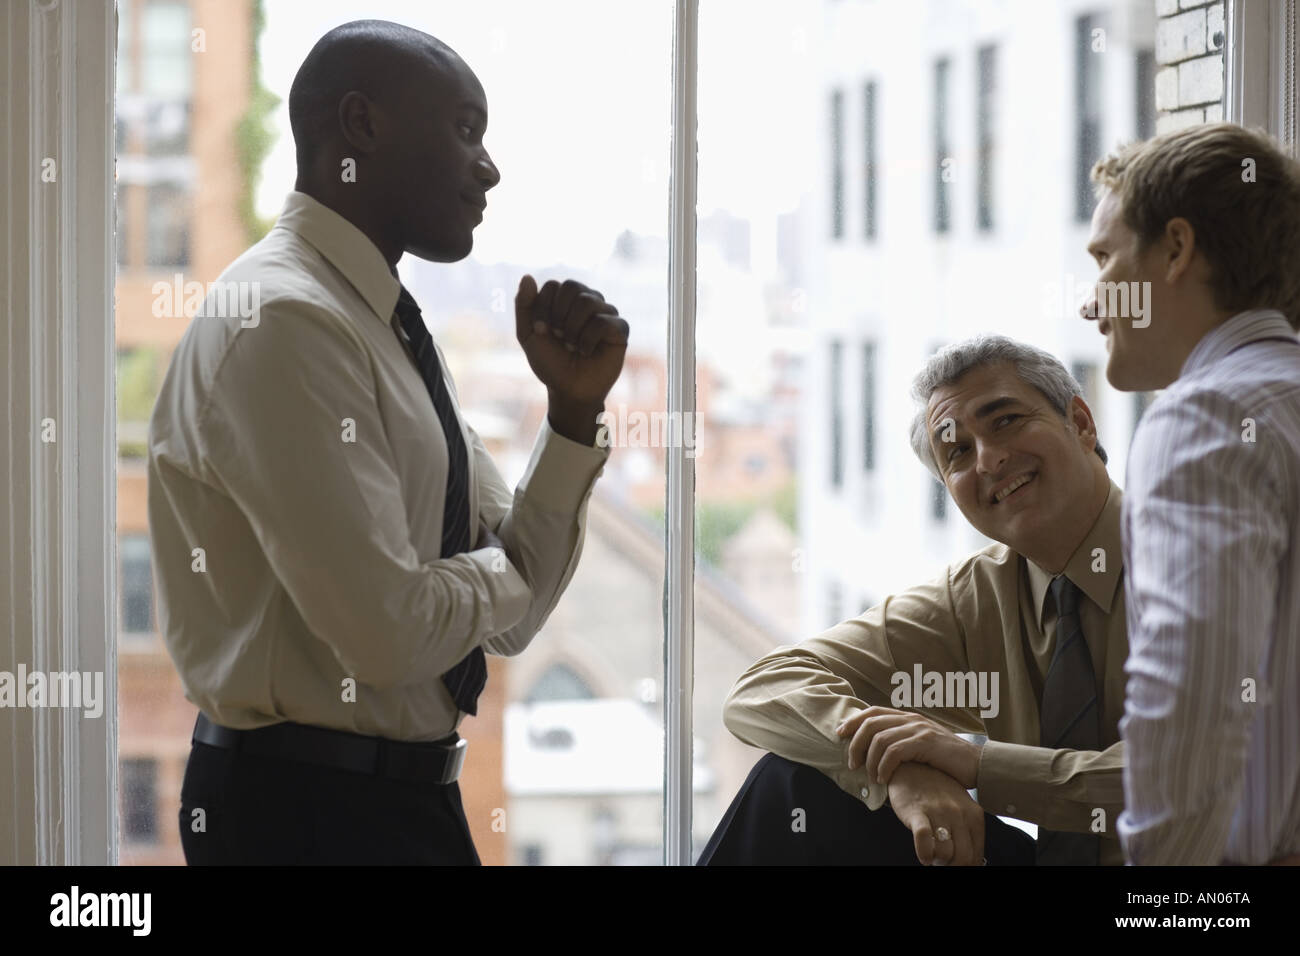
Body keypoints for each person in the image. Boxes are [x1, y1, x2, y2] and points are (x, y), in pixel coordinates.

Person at [147, 20, 629, 864]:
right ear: (361, 127)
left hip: (394, 802)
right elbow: (388, 635)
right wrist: (500, 576)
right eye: (466, 130)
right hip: (305, 819)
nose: (490, 167)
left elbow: (511, 622)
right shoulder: (285, 323)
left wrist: (571, 416)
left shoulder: (381, 324)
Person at [703, 336, 1128, 865]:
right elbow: (763, 689)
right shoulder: (977, 598)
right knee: (797, 780)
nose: (990, 459)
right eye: (958, 453)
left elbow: (1196, 779)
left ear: (1082, 423)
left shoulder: (1194, 561)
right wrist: (898, 772)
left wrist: (974, 765)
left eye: (1006, 421)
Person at [1082, 122, 1300, 865]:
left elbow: (1193, 698)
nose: (1091, 303)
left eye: (1105, 258)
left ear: (1176, 250)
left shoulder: (1205, 417)